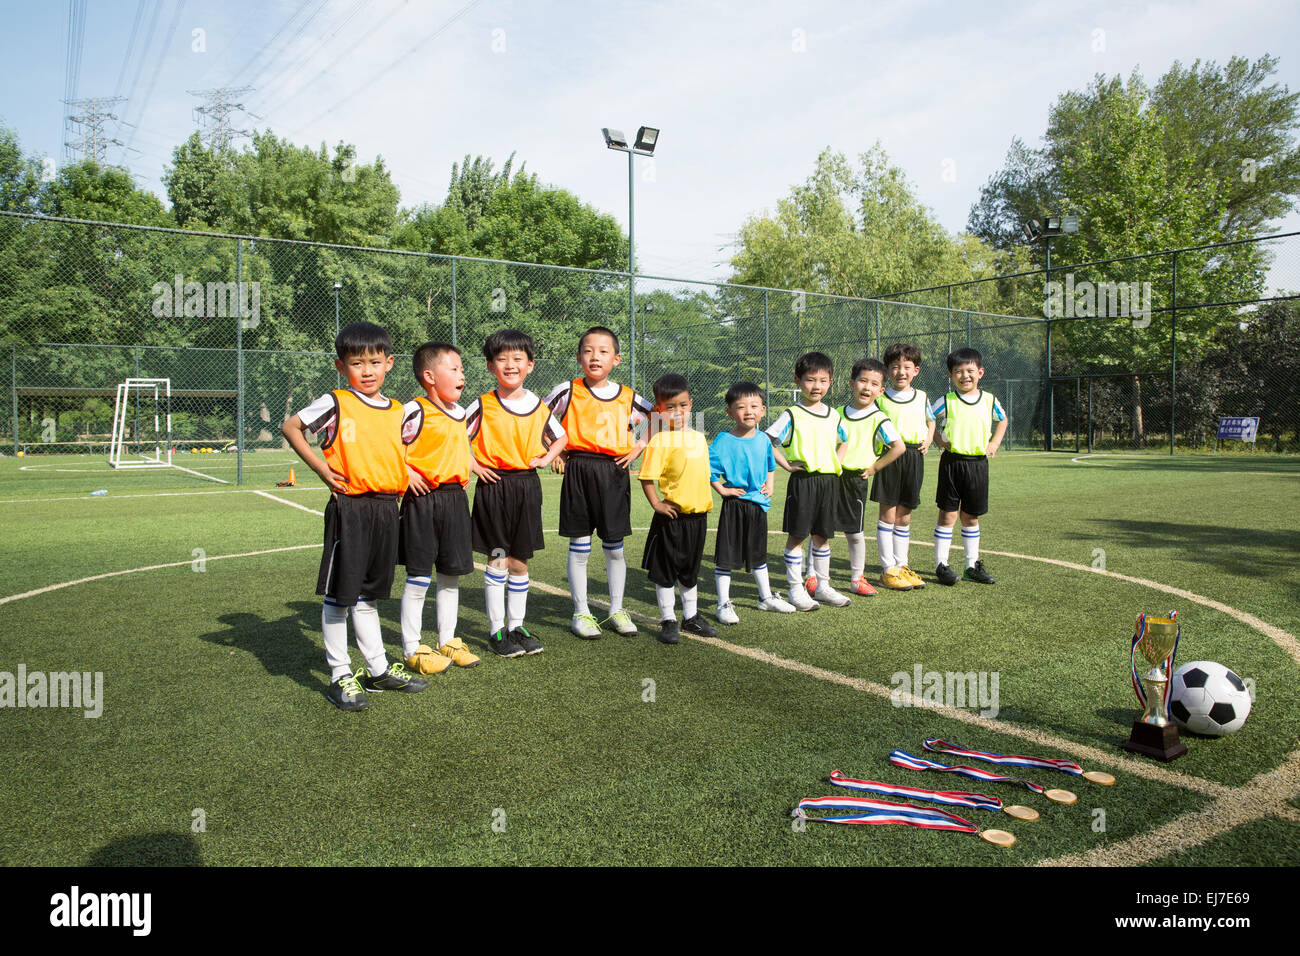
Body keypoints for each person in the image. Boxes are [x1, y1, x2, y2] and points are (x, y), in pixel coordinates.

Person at [281, 321, 430, 712]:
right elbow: (291, 426)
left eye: (375, 362)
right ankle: (339, 673)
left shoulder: (398, 410)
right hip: (350, 507)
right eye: (357, 363)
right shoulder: (335, 402)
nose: (367, 371)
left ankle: (377, 669)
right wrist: (319, 467)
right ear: (340, 366)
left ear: (389, 364)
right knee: (340, 594)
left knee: (369, 595)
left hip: (386, 508)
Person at [545, 326, 652, 640]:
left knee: (615, 547)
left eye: (603, 351)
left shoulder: (629, 396)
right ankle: (581, 612)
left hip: (614, 472)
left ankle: (616, 609)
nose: (595, 356)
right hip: (578, 469)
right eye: (589, 351)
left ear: (616, 359)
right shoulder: (568, 390)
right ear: (579, 358)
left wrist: (638, 447)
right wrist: (557, 450)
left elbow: (662, 417)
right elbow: (538, 417)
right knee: (580, 546)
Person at [466, 329, 568, 657]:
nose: (510, 364)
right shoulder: (482, 405)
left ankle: (517, 626)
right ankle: (496, 631)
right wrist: (474, 466)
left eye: (517, 359)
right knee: (498, 557)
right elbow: (455, 437)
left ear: (530, 365)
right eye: (502, 359)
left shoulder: (538, 406)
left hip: (527, 486)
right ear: (490, 366)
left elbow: (561, 438)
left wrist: (546, 457)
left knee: (520, 561)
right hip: (494, 487)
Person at [397, 342, 480, 674]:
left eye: (461, 369)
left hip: (455, 501)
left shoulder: (461, 413)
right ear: (429, 376)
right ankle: (412, 648)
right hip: (423, 500)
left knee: (451, 574)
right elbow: (389, 445)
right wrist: (406, 473)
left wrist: (465, 469)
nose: (461, 374)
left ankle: (448, 640)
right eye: (454, 368)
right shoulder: (414, 410)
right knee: (419, 575)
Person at [764, 351, 851, 610]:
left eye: (823, 381)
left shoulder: (834, 415)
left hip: (828, 483)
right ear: (798, 381)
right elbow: (768, 441)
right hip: (804, 482)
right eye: (811, 380)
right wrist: (787, 465)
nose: (817, 386)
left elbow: (845, 439)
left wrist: (837, 462)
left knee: (822, 537)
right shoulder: (791, 414)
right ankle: (795, 589)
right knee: (798, 536)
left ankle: (822, 586)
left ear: (830, 383)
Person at [708, 382, 797, 624]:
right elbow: (709, 469)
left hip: (757, 506)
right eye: (741, 407)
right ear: (729, 412)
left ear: (763, 410)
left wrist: (770, 484)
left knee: (758, 554)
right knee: (726, 555)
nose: (748, 411)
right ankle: (723, 603)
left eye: (754, 406)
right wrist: (722, 490)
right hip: (735, 504)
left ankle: (765, 597)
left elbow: (771, 465)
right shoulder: (723, 440)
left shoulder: (763, 439)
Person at [638, 373, 717, 644]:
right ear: (659, 409)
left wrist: (707, 499)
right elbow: (647, 477)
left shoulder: (698, 438)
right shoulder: (659, 441)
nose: (678, 412)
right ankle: (668, 619)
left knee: (690, 569)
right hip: (672, 517)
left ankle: (691, 617)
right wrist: (657, 503)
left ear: (691, 403)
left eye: (682, 405)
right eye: (670, 407)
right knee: (666, 571)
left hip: (697, 518)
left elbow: (703, 474)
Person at [931, 347, 1007, 586]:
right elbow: (929, 420)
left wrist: (994, 443)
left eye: (970, 371)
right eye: (958, 372)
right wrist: (938, 440)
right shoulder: (946, 401)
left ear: (980, 372)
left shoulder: (989, 400)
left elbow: (1003, 419)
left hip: (977, 465)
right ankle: (941, 565)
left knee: (971, 516)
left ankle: (971, 566)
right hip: (952, 464)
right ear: (950, 376)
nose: (965, 376)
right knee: (948, 515)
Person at [837, 358, 906, 595]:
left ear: (881, 390)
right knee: (820, 530)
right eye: (862, 381)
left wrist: (875, 468)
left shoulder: (879, 419)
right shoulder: (835, 414)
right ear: (851, 383)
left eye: (874, 384)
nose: (867, 388)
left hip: (856, 480)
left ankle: (857, 579)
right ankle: (814, 576)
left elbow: (899, 447)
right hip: (830, 478)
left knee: (854, 532)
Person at [873, 343, 936, 591]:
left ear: (916, 370)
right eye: (895, 367)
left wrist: (930, 438)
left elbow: (931, 421)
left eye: (907, 367)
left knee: (905, 514)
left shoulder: (922, 397)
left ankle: (902, 566)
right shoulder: (881, 398)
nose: (901, 372)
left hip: (913, 456)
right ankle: (888, 569)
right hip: (889, 456)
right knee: (888, 513)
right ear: (888, 371)